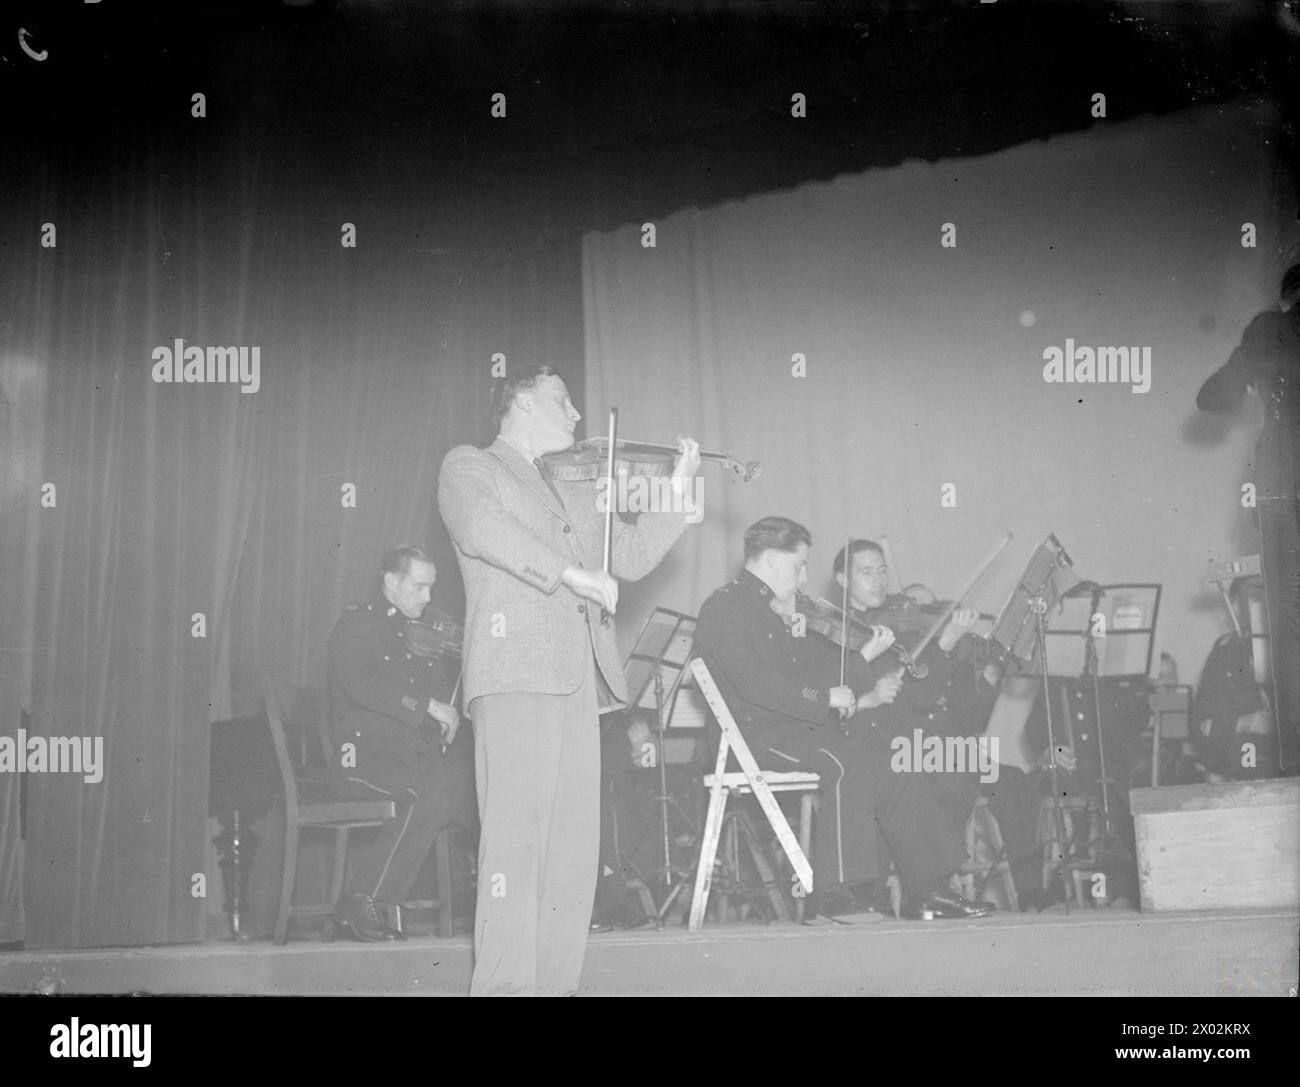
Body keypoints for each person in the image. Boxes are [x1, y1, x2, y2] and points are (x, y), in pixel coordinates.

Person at [438, 366, 698, 995]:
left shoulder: (573, 487)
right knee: (515, 845)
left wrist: (674, 496)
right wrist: (571, 575)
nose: (578, 414)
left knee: (573, 856)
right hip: (515, 668)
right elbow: (482, 530)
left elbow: (626, 557)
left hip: (578, 678)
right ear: (521, 400)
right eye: (564, 400)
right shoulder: (471, 465)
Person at [693, 517, 992, 920]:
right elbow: (754, 684)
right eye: (798, 566)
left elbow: (806, 680)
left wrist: (851, 671)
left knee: (890, 757)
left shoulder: (779, 610)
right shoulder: (725, 606)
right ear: (769, 560)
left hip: (795, 730)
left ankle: (928, 889)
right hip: (754, 737)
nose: (803, 579)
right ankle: (840, 894)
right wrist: (826, 695)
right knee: (847, 761)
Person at [325, 546, 477, 941]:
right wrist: (427, 707)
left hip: (412, 758)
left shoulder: (426, 631)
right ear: (391, 581)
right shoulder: (357, 625)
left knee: (482, 791)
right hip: (363, 760)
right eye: (419, 587)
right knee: (434, 793)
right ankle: (361, 900)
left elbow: (443, 695)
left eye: (432, 588)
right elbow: (362, 684)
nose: (428, 598)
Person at [1197, 262, 1300, 772]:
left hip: (1285, 491)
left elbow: (1212, 397)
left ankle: (1293, 765)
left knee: (1289, 631)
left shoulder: (1270, 330)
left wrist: (1257, 377)